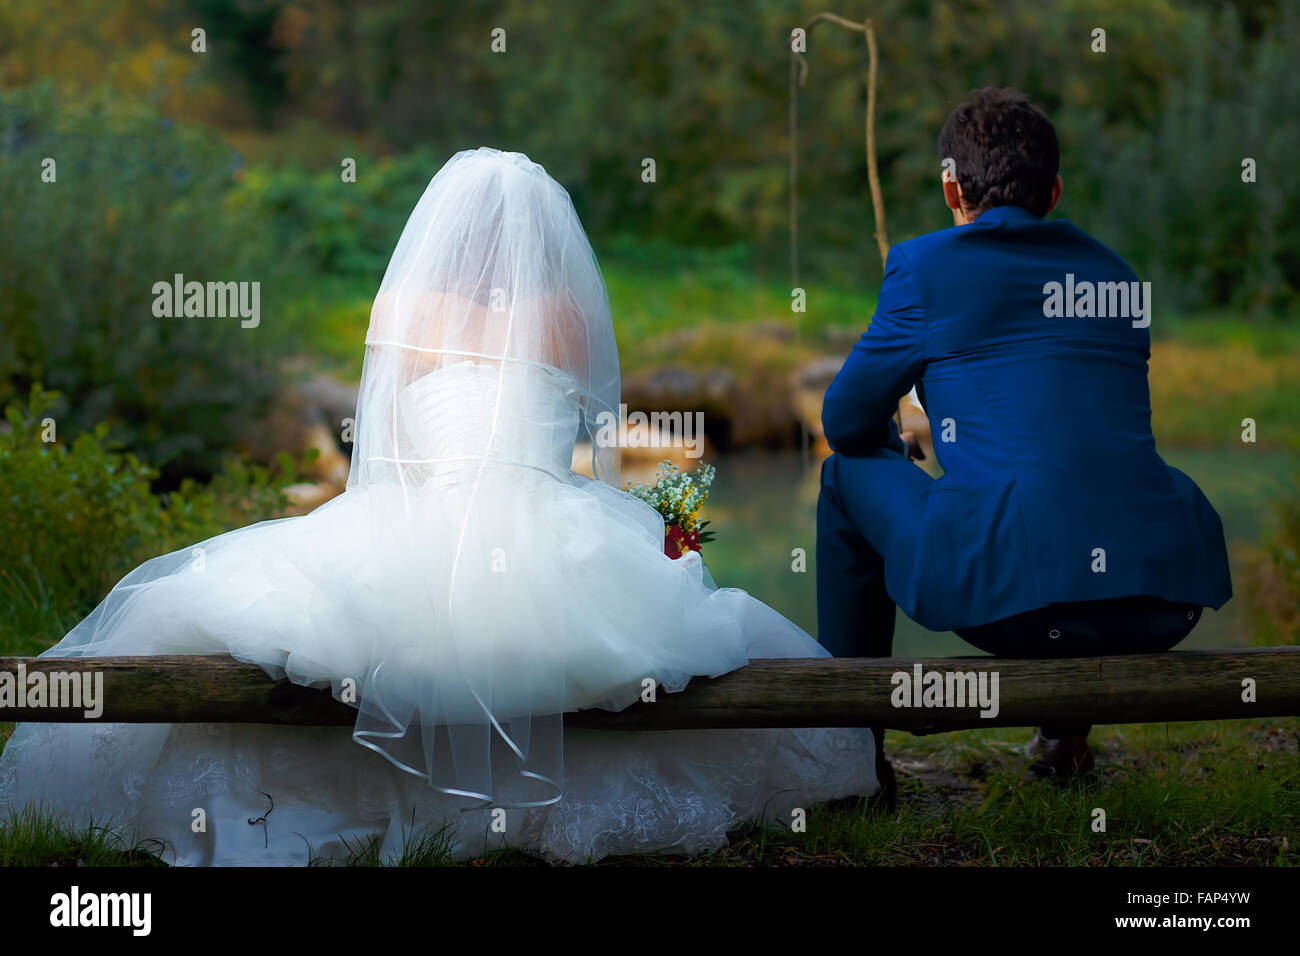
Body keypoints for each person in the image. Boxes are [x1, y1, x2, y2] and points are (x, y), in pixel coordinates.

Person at [0, 148, 876, 864]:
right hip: (554, 524)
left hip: (426, 509)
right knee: (650, 631)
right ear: (541, 240)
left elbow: (384, 456)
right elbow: (590, 441)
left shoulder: (408, 305)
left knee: (304, 619)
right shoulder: (568, 313)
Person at [816, 89, 1232, 780]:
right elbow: (1078, 437)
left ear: (952, 186)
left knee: (843, 477)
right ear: (1056, 189)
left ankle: (849, 756)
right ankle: (1063, 741)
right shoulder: (1117, 276)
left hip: (1016, 606)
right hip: (1160, 600)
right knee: (1072, 499)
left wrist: (895, 441)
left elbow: (844, 424)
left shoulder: (926, 267)